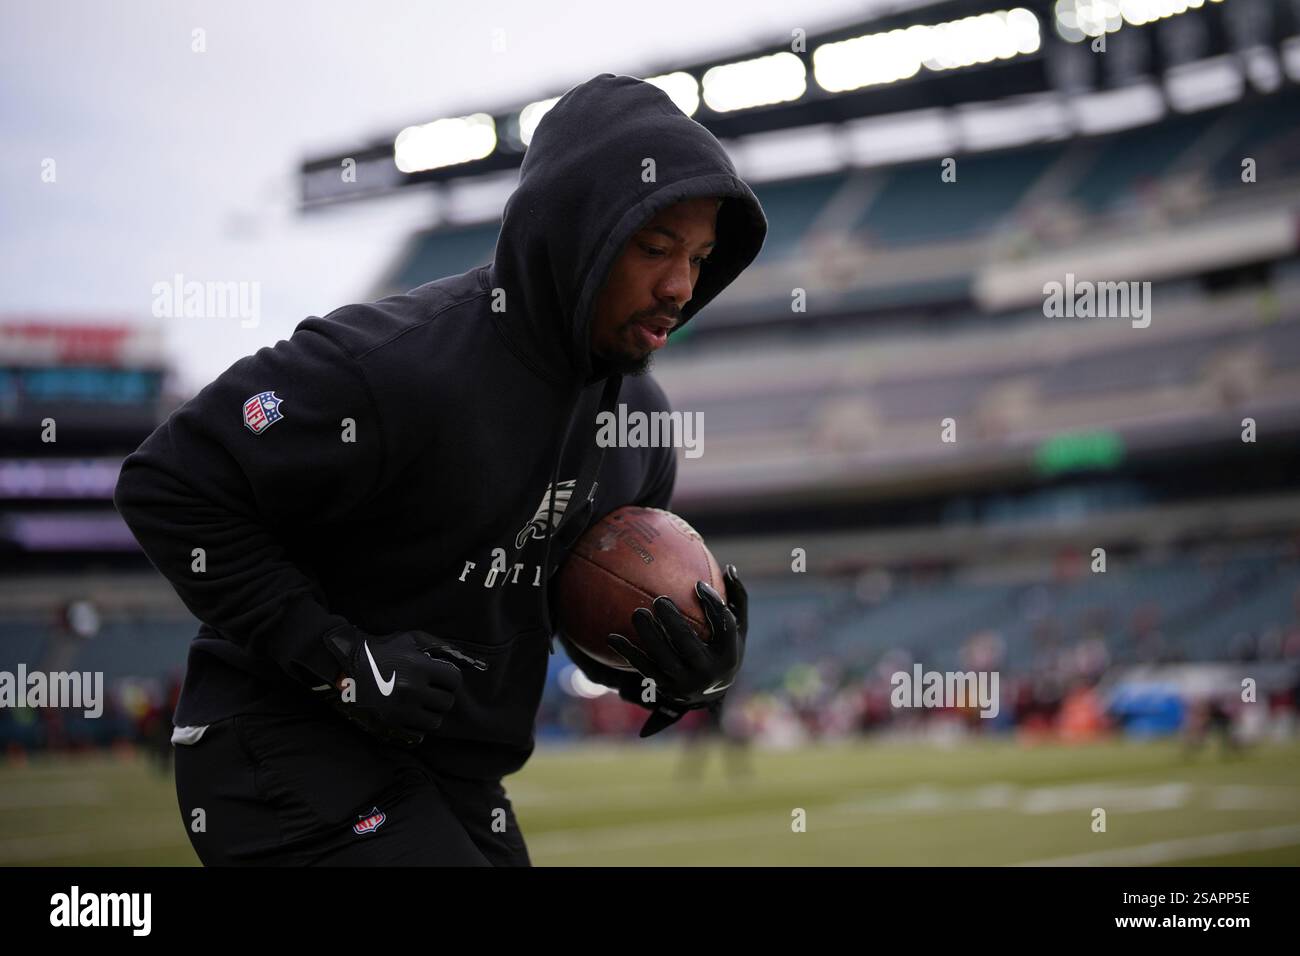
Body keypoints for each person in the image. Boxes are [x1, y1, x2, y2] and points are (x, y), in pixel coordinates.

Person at [113, 73, 766, 866]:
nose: (680, 287)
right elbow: (171, 480)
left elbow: (575, 614)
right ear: (573, 231)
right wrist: (338, 659)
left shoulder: (641, 423)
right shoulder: (397, 365)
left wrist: (672, 672)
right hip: (285, 740)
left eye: (699, 258)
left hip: (457, 768)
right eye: (655, 247)